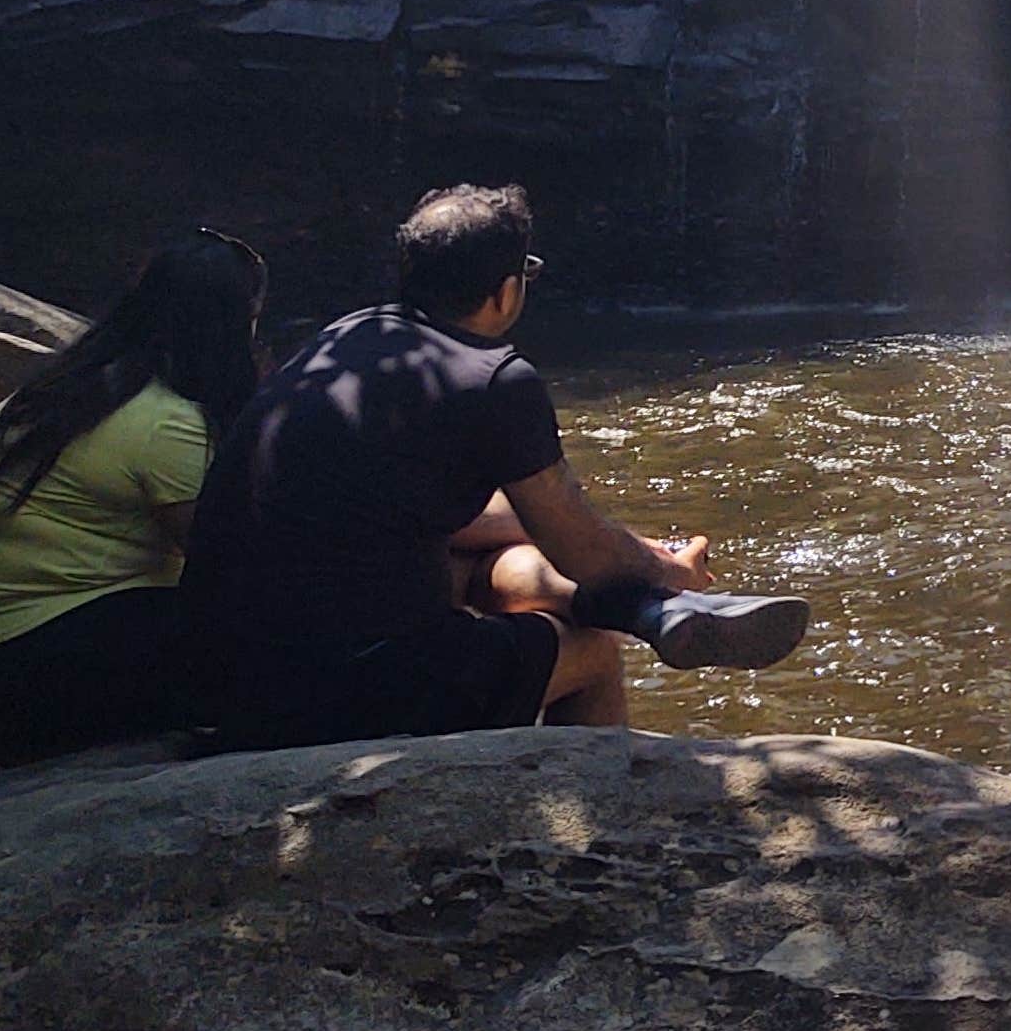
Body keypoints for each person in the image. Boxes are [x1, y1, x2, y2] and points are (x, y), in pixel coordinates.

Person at [192, 184, 809, 748]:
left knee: (496, 564)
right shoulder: (495, 378)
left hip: (222, 673)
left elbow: (474, 520)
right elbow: (583, 554)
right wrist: (664, 565)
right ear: (507, 290)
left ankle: (658, 613)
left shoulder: (345, 340)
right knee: (589, 653)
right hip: (333, 694)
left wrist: (627, 548)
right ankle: (599, 814)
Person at [0, 232, 270, 761]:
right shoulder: (167, 424)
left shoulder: (66, 386)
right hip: (32, 678)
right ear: (237, 323)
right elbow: (226, 563)